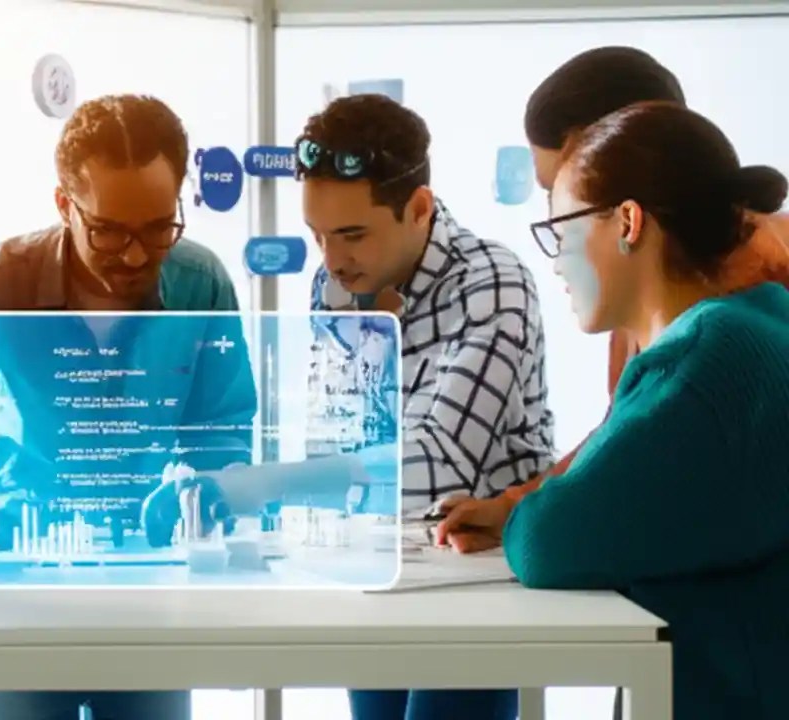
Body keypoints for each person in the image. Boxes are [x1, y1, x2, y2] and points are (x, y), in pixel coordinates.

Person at [0, 94, 255, 720]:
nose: (134, 255)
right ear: (64, 204)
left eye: (158, 230)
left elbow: (225, 430)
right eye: (109, 231)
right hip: (18, 588)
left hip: (155, 585)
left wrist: (206, 487)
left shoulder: (202, 282)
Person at [436, 46, 789, 554]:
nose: (560, 236)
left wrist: (532, 515)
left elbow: (565, 527)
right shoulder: (667, 296)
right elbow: (624, 444)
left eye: (566, 193)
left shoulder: (723, 329)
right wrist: (517, 503)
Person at [502, 100, 789, 720]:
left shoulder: (710, 355)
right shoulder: (751, 324)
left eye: (564, 229)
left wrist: (522, 511)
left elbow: (547, 540)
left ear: (628, 222)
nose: (556, 262)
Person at [294, 94, 554, 720]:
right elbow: (330, 437)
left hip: (478, 579)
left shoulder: (494, 281)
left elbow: (444, 465)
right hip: (379, 564)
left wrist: (280, 484)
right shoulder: (336, 288)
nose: (330, 259)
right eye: (318, 235)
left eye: (352, 234)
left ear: (418, 209)